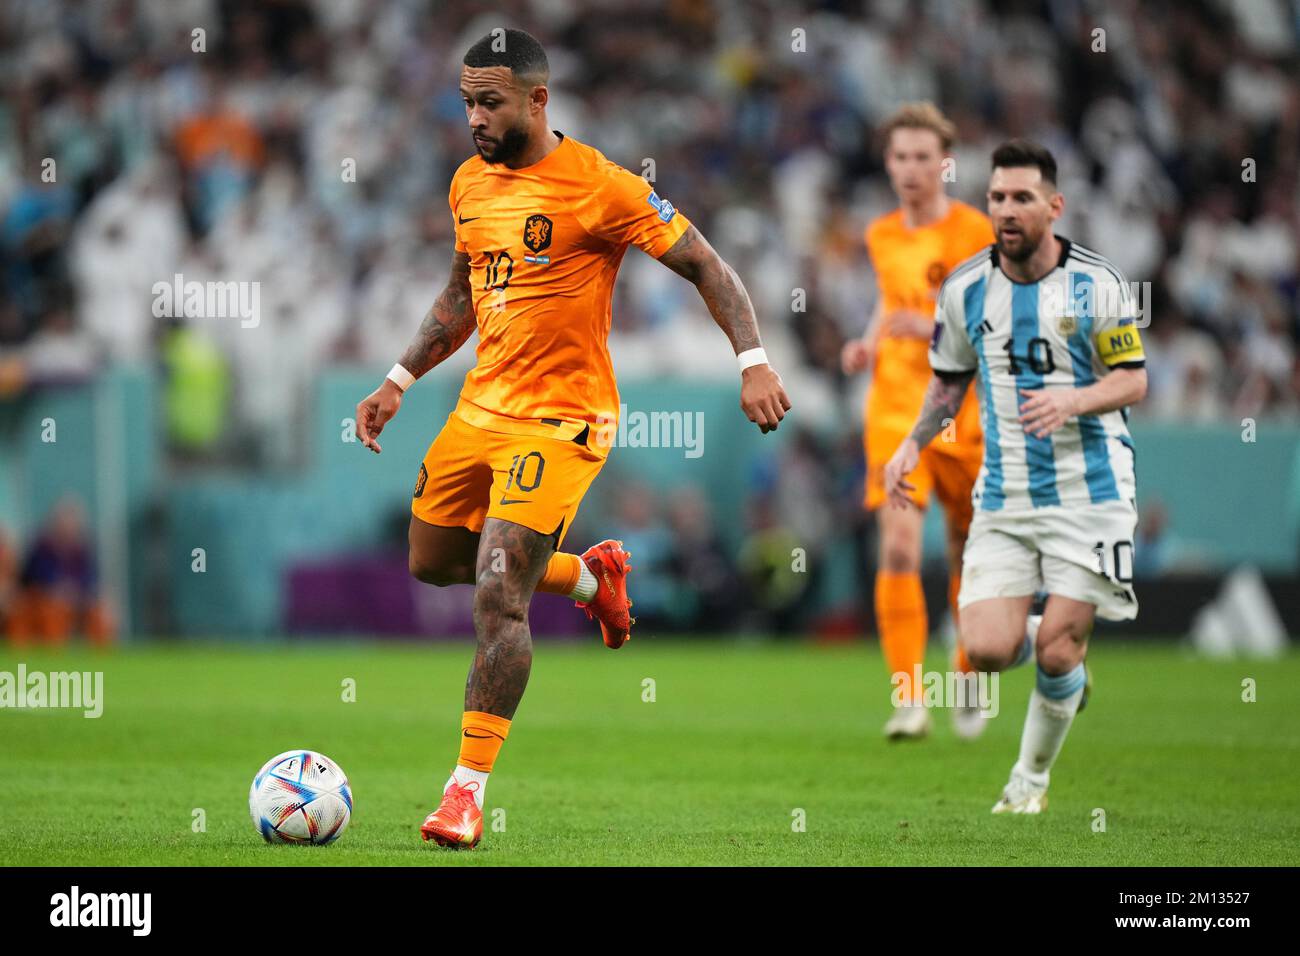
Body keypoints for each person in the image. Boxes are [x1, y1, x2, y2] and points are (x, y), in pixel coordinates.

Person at [353, 29, 791, 848]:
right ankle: (589, 582)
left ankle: (464, 792)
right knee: (434, 562)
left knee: (496, 589)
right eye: (467, 103)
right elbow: (461, 293)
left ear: (537, 99)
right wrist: (397, 381)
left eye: (490, 102)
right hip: (480, 407)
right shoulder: (468, 184)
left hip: (564, 416)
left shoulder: (601, 186)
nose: (475, 118)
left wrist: (754, 363)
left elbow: (707, 265)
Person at [885, 139, 1147, 813]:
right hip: (1003, 495)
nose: (1006, 209)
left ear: (1053, 207)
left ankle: (1027, 785)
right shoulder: (967, 288)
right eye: (997, 197)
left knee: (1056, 654)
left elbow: (1133, 379)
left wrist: (1073, 398)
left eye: (1022, 197)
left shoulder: (1097, 285)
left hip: (1091, 492)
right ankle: (1067, 638)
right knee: (987, 649)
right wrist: (911, 445)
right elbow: (949, 381)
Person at [840, 103, 994, 740]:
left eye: (922, 157)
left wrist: (930, 326)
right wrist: (869, 338)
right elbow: (888, 299)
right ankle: (909, 697)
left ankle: (966, 671)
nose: (910, 168)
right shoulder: (881, 234)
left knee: (968, 550)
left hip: (961, 411)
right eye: (900, 156)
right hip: (896, 410)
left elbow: (993, 323)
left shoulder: (976, 233)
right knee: (899, 545)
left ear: (945, 163)